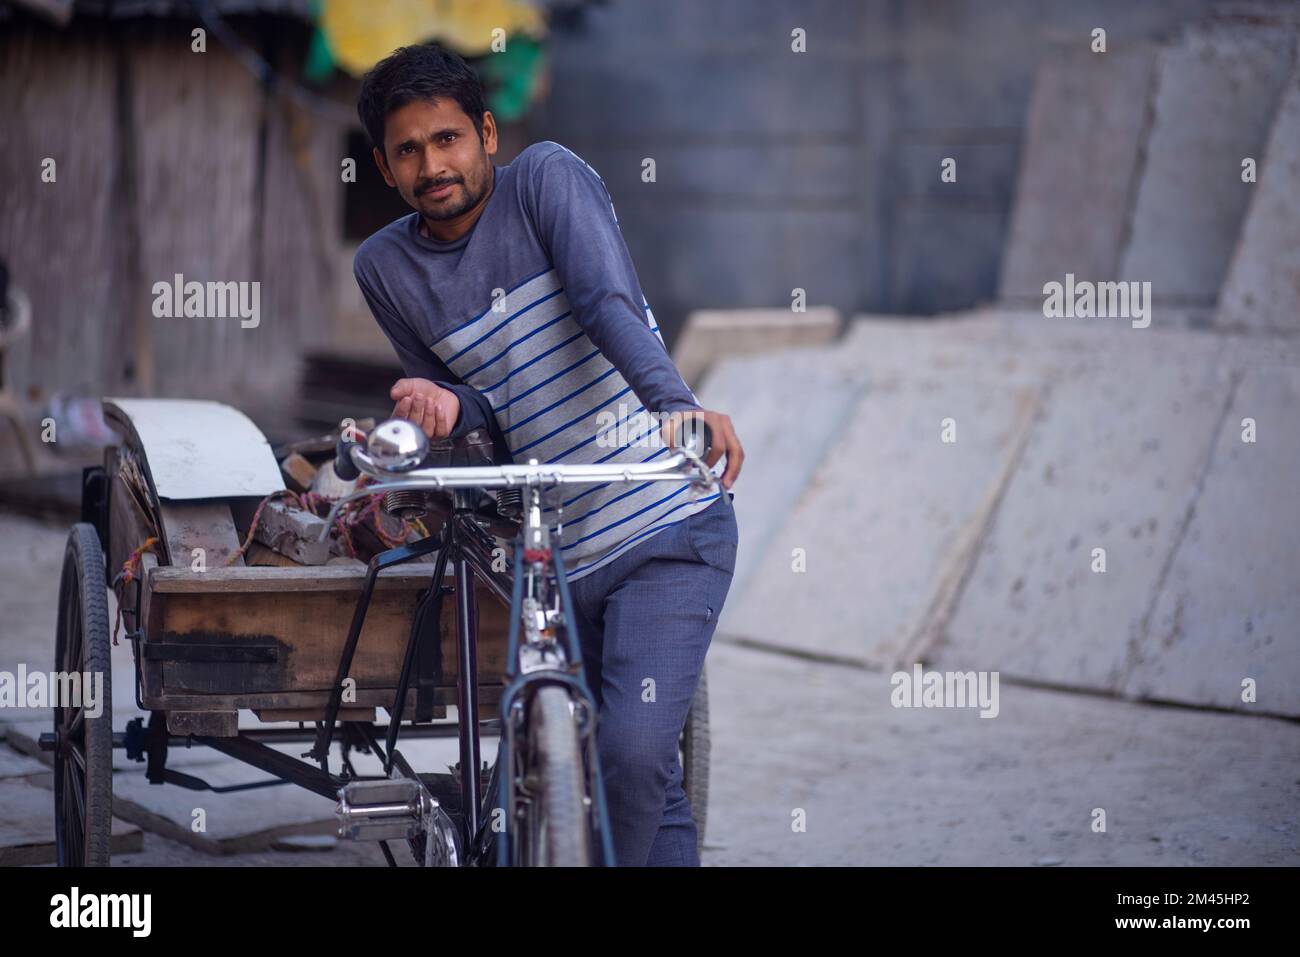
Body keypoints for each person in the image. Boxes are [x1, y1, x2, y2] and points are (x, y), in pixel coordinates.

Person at [353, 42, 743, 866]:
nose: (434, 165)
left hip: (663, 528)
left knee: (632, 755)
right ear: (386, 170)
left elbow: (605, 302)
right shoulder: (384, 265)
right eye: (409, 150)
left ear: (488, 134)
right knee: (621, 787)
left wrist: (678, 407)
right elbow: (470, 417)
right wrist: (443, 410)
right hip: (552, 557)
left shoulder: (545, 181)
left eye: (449, 138)